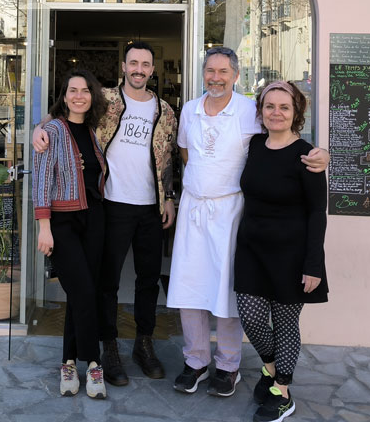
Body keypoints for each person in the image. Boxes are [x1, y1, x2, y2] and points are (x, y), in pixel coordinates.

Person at [167, 47, 327, 398]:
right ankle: (195, 360)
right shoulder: (190, 110)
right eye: (210, 70)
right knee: (189, 289)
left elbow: (282, 135)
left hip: (231, 213)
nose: (216, 77)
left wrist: (322, 153)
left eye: (224, 71)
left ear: (236, 76)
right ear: (203, 73)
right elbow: (185, 153)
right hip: (194, 210)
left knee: (227, 291)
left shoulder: (248, 111)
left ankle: (227, 366)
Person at [33, 41, 177, 386]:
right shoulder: (106, 101)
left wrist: (169, 197)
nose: (139, 69)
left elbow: (168, 158)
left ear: (152, 70)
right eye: (133, 63)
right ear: (123, 67)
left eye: (145, 64)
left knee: (147, 280)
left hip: (150, 207)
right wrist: (42, 126)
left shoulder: (167, 111)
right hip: (110, 204)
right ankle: (108, 346)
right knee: (107, 283)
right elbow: (70, 113)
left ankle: (144, 344)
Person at [235, 80, 328, 422]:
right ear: (260, 112)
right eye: (270, 106)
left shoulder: (308, 157)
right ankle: (272, 369)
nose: (276, 112)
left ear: (296, 113)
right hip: (251, 248)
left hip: (291, 252)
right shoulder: (255, 145)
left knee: (286, 322)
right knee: (252, 317)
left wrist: (313, 264)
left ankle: (283, 392)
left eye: (284, 107)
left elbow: (318, 212)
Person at [32, 69, 109, 399]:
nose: (79, 95)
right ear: (63, 97)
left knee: (84, 293)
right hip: (62, 224)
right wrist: (44, 227)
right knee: (83, 292)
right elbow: (41, 181)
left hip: (93, 219)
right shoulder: (52, 130)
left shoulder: (92, 130)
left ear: (92, 95)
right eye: (72, 90)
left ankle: (68, 362)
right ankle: (94, 364)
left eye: (85, 90)